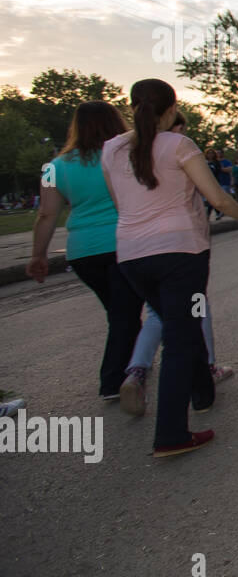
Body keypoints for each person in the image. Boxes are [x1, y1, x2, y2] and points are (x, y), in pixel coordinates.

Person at [101, 79, 238, 456]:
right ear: (171, 110)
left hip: (131, 257)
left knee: (180, 326)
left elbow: (119, 203)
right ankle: (171, 433)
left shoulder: (111, 149)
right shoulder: (179, 144)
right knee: (180, 335)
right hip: (180, 256)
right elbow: (217, 198)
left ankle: (203, 393)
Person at [26, 101, 145, 402]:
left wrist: (37, 255)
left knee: (120, 311)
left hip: (82, 251)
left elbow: (46, 214)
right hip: (123, 243)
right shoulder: (127, 154)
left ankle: (136, 363)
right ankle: (113, 381)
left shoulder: (54, 167)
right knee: (124, 313)